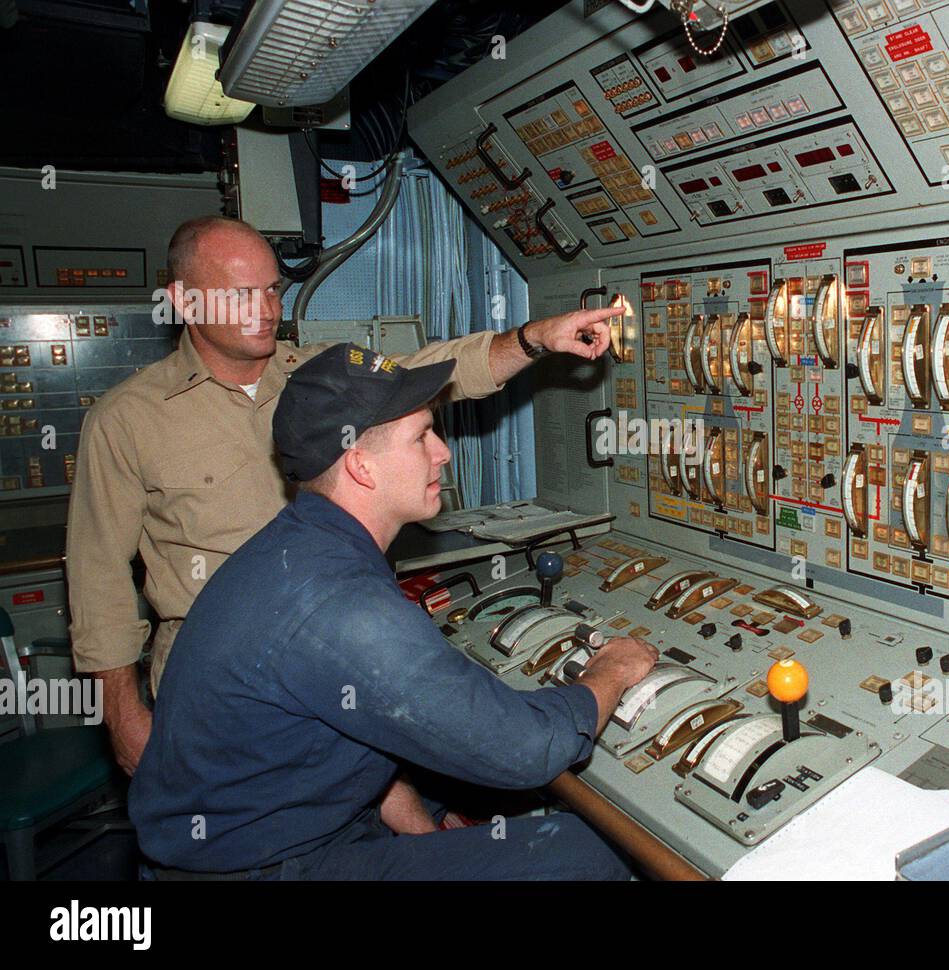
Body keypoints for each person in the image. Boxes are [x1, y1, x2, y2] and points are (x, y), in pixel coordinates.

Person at [66, 215, 624, 778]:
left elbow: (433, 370)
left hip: (345, 663)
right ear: (184, 303)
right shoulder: (128, 419)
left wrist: (535, 338)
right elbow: (97, 577)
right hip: (220, 694)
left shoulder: (317, 377)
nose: (265, 309)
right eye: (240, 294)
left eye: (271, 290)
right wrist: (122, 713)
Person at [128, 344, 658, 879]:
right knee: (590, 852)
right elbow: (529, 749)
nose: (443, 452)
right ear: (361, 467)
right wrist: (611, 669)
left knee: (444, 797)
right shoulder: (341, 603)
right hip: (261, 868)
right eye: (422, 436)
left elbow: (349, 731)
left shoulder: (299, 544)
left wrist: (422, 832)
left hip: (275, 829)